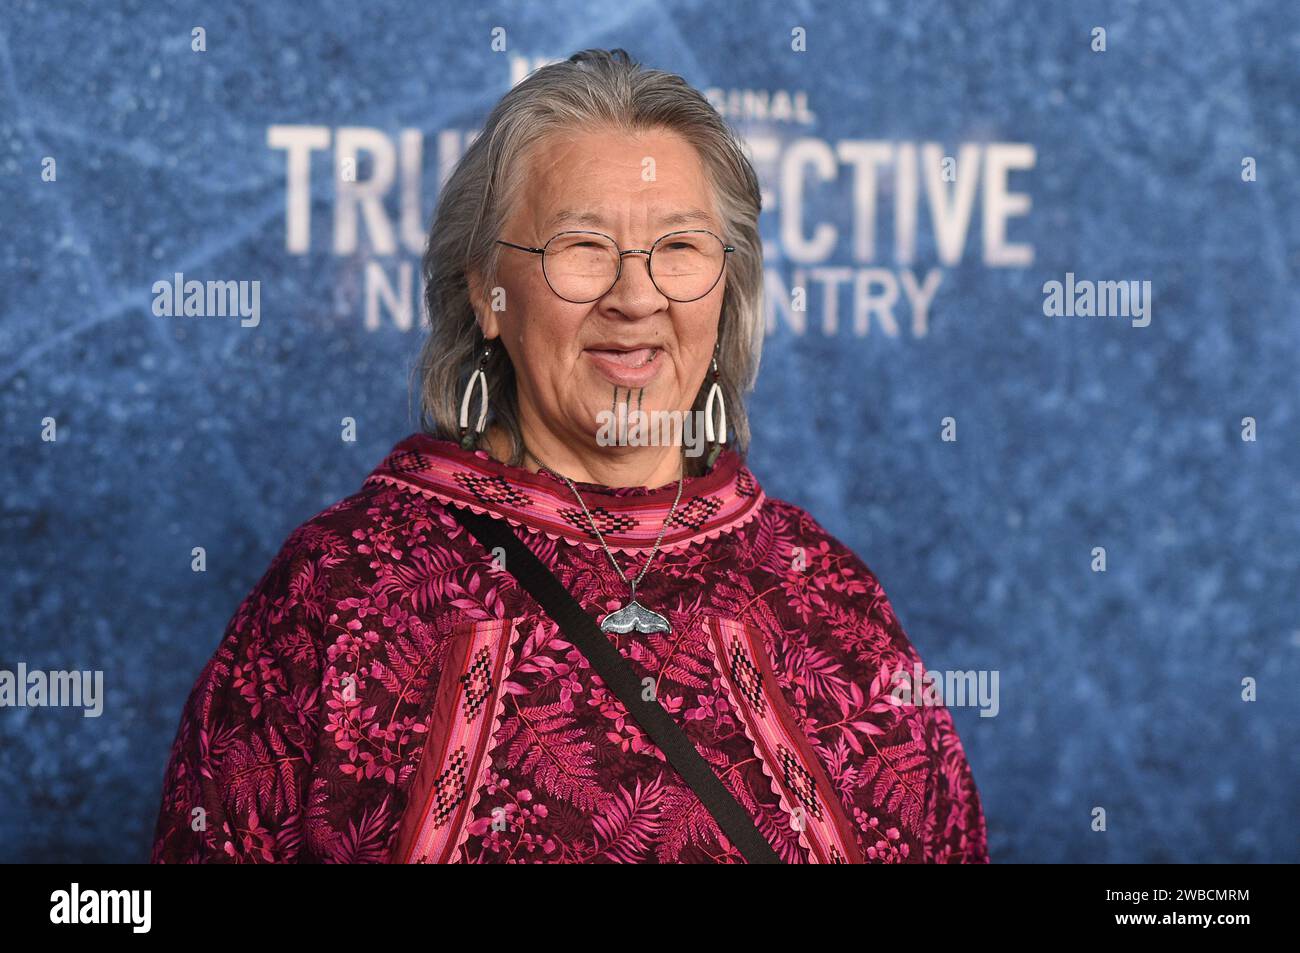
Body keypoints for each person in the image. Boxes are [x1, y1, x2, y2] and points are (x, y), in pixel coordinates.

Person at [151, 48, 988, 863]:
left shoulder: (828, 597)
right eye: (583, 247)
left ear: (727, 286)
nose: (636, 297)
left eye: (680, 247)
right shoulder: (338, 591)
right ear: (487, 292)